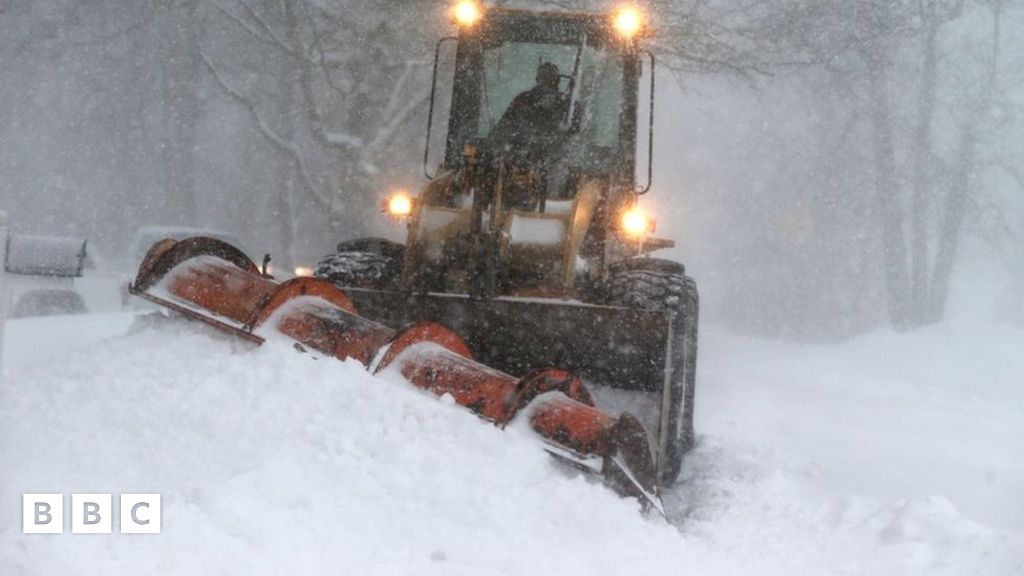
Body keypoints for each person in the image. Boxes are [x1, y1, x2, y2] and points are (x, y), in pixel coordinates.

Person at [489, 62, 569, 165]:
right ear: (537, 79)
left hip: (552, 164)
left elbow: (572, 140)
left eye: (550, 78)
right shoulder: (522, 100)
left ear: (557, 81)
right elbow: (503, 126)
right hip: (517, 161)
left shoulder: (567, 106)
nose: (547, 82)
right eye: (544, 77)